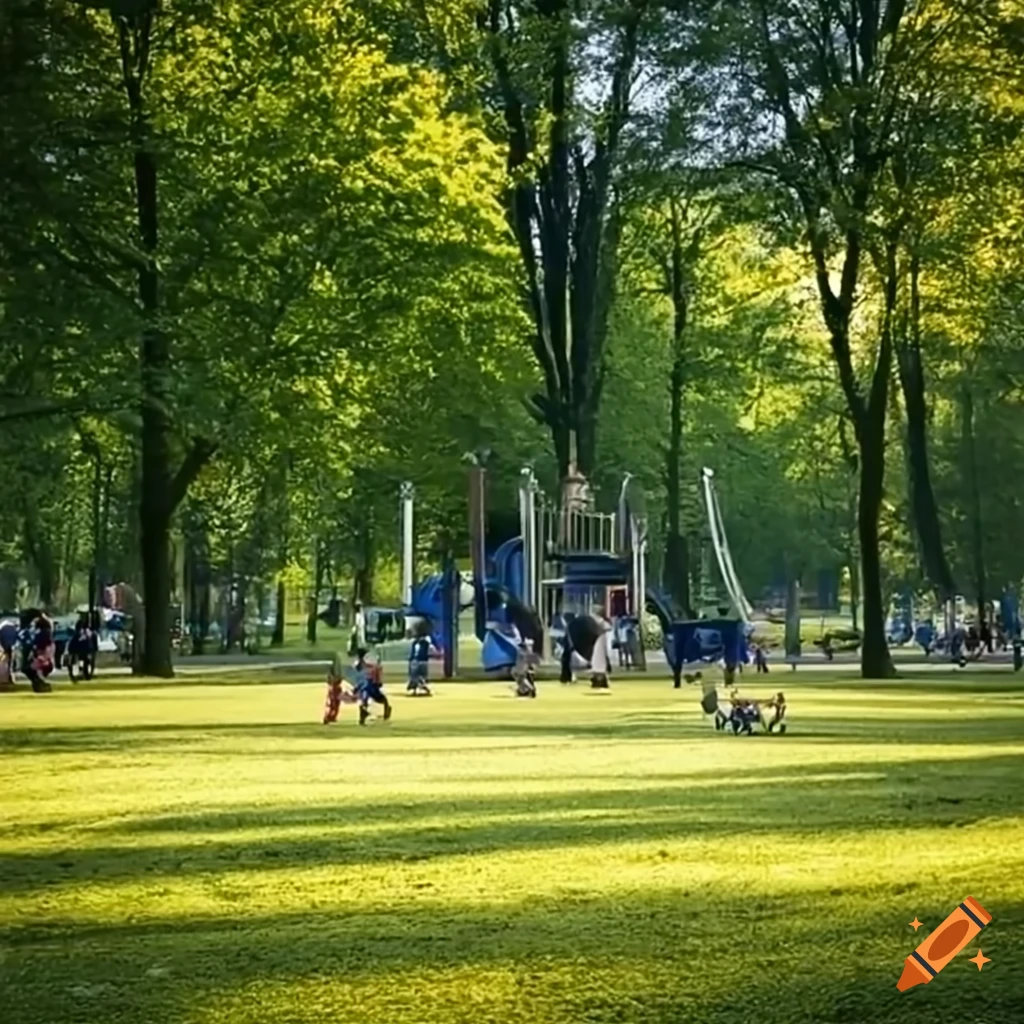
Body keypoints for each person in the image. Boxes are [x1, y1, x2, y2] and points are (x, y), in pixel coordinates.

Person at [353, 647, 391, 725]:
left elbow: (359, 674)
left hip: (367, 686)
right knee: (381, 700)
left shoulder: (361, 664)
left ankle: (363, 716)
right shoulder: (365, 664)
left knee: (366, 700)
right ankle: (364, 715)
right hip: (369, 686)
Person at [406, 624, 434, 696]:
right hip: (415, 660)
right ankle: (415, 689)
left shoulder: (425, 643)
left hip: (422, 660)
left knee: (421, 676)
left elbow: (430, 649)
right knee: (414, 676)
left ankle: (424, 688)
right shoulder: (414, 643)